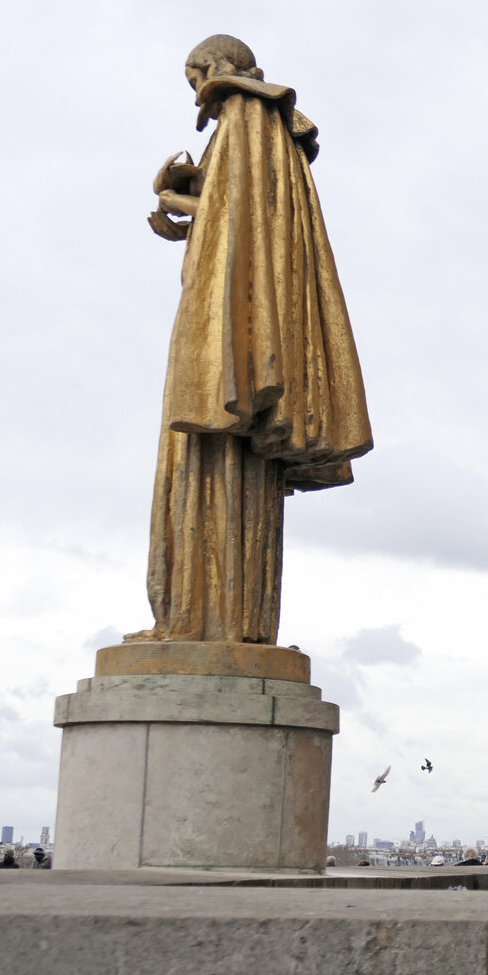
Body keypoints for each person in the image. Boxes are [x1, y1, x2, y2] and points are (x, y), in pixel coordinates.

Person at [127, 33, 371, 646]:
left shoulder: (244, 113)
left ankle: (199, 621)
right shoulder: (268, 127)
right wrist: (187, 208)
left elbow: (237, 230)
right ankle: (228, 620)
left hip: (233, 329)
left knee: (213, 443)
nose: (197, 100)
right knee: (225, 458)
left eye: (194, 81)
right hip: (238, 313)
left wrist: (171, 197)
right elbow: (239, 221)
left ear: (212, 66)